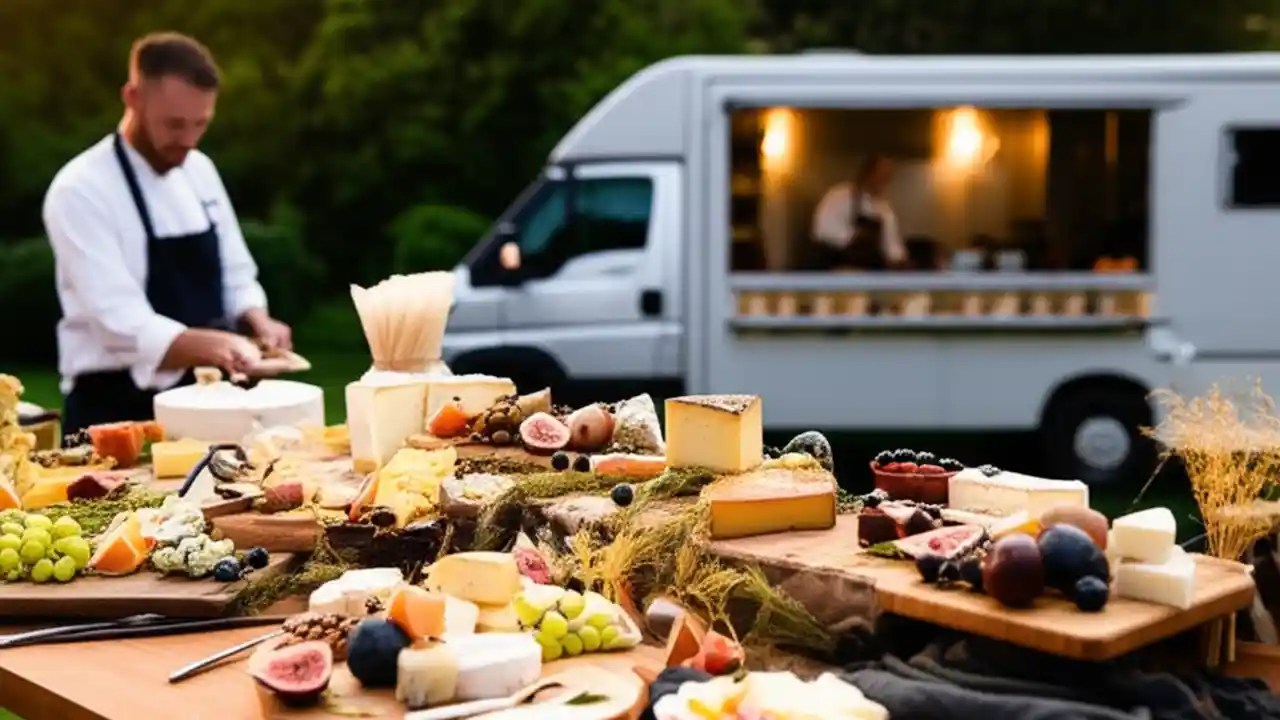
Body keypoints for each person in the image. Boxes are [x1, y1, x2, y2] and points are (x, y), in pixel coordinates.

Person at [43, 32, 292, 434]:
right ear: (133, 97)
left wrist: (256, 319)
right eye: (175, 124)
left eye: (201, 124)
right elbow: (118, 320)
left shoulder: (200, 170)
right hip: (115, 409)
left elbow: (236, 271)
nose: (189, 141)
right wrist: (220, 346)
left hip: (212, 402)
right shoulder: (79, 189)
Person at [810, 155, 908, 270]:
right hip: (837, 271)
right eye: (880, 175)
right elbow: (822, 229)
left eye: (887, 177)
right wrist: (856, 239)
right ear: (867, 173)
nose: (883, 181)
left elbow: (892, 246)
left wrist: (900, 261)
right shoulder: (839, 196)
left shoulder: (885, 210)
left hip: (870, 275)